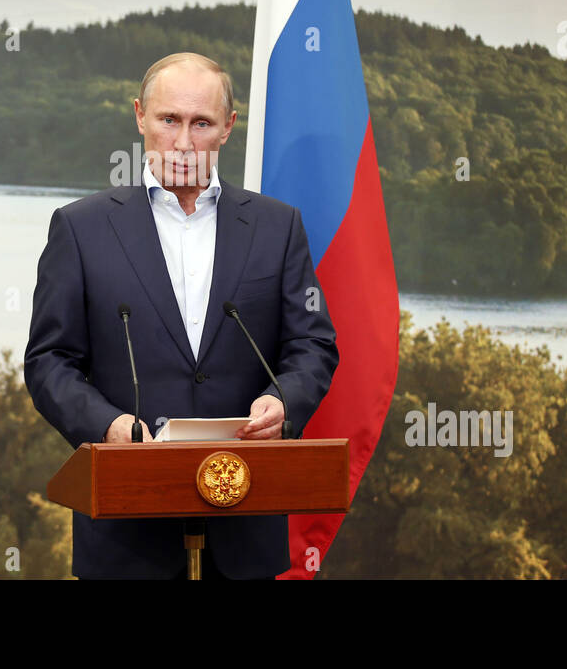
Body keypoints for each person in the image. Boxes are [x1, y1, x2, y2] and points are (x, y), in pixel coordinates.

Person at [23, 52, 339, 579]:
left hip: (246, 519)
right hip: (126, 531)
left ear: (227, 128)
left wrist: (282, 402)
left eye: (202, 123)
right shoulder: (81, 228)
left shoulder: (277, 227)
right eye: (170, 120)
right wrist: (107, 426)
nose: (185, 142)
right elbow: (49, 362)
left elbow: (313, 346)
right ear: (140, 116)